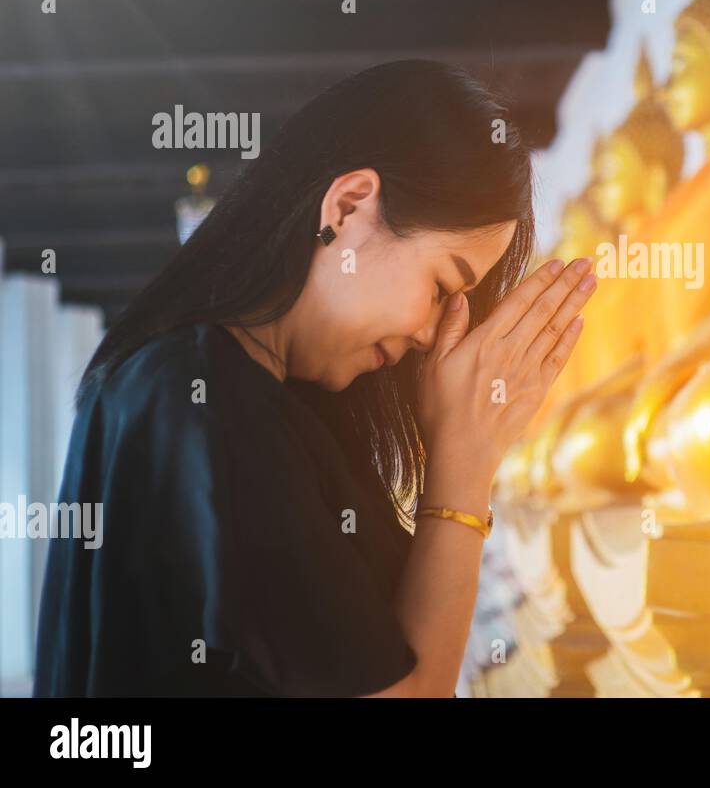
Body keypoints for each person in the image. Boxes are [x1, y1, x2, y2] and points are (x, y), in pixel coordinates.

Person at [33, 60, 596, 697]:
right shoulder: (199, 396)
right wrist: (465, 463)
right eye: (442, 287)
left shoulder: (268, 404)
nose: (428, 335)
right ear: (349, 206)